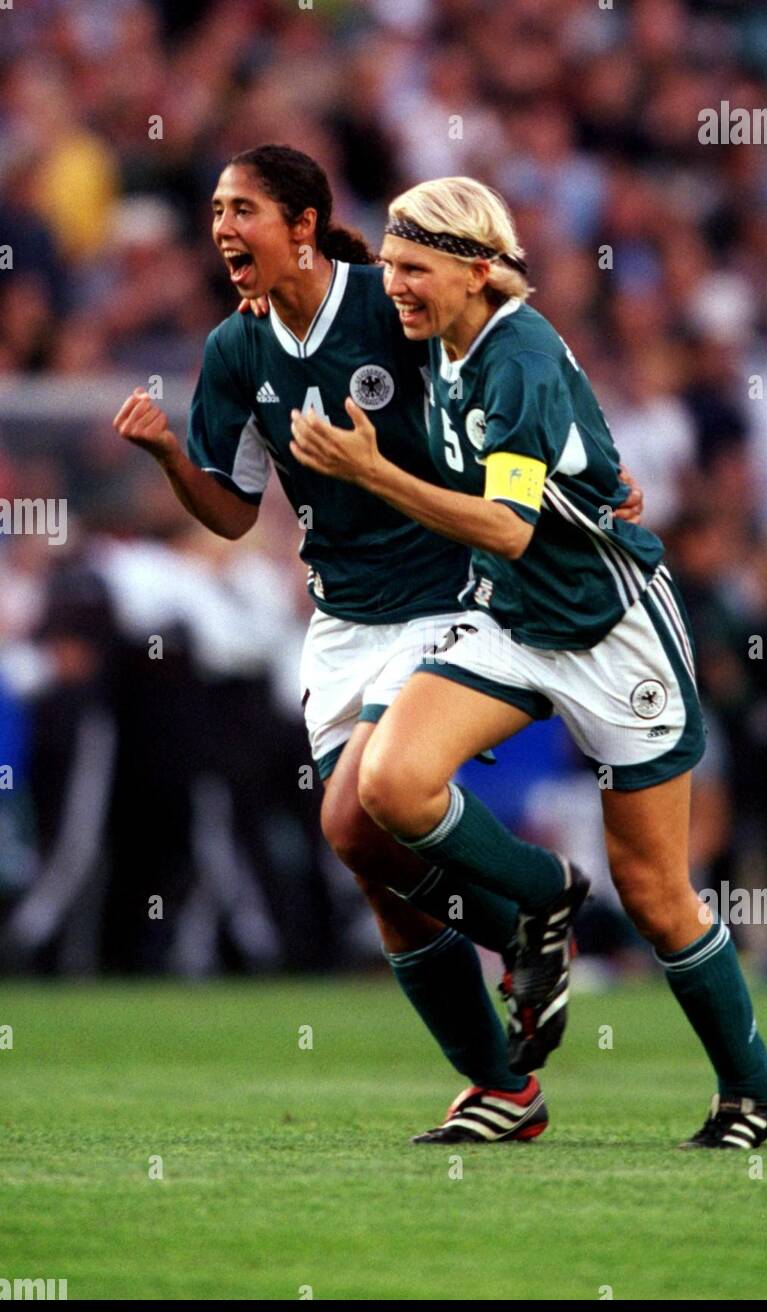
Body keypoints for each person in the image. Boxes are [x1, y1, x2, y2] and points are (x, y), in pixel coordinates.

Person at [113, 145, 644, 1143]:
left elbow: (516, 352)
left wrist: (594, 473)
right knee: (361, 848)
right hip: (342, 621)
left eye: (244, 209)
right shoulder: (234, 353)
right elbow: (231, 515)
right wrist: (169, 459)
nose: (222, 227)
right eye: (216, 210)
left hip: (452, 594)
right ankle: (504, 1084)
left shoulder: (391, 301)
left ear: (302, 226)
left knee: (365, 803)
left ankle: (543, 893)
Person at [290, 175, 767, 1150]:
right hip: (508, 622)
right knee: (387, 785)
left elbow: (508, 528)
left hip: (609, 630)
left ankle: (753, 1088)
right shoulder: (442, 332)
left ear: (477, 272)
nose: (393, 285)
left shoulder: (514, 354)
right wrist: (270, 290)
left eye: (412, 269)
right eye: (389, 265)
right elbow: (333, 295)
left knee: (655, 892)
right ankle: (541, 898)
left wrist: (369, 473)